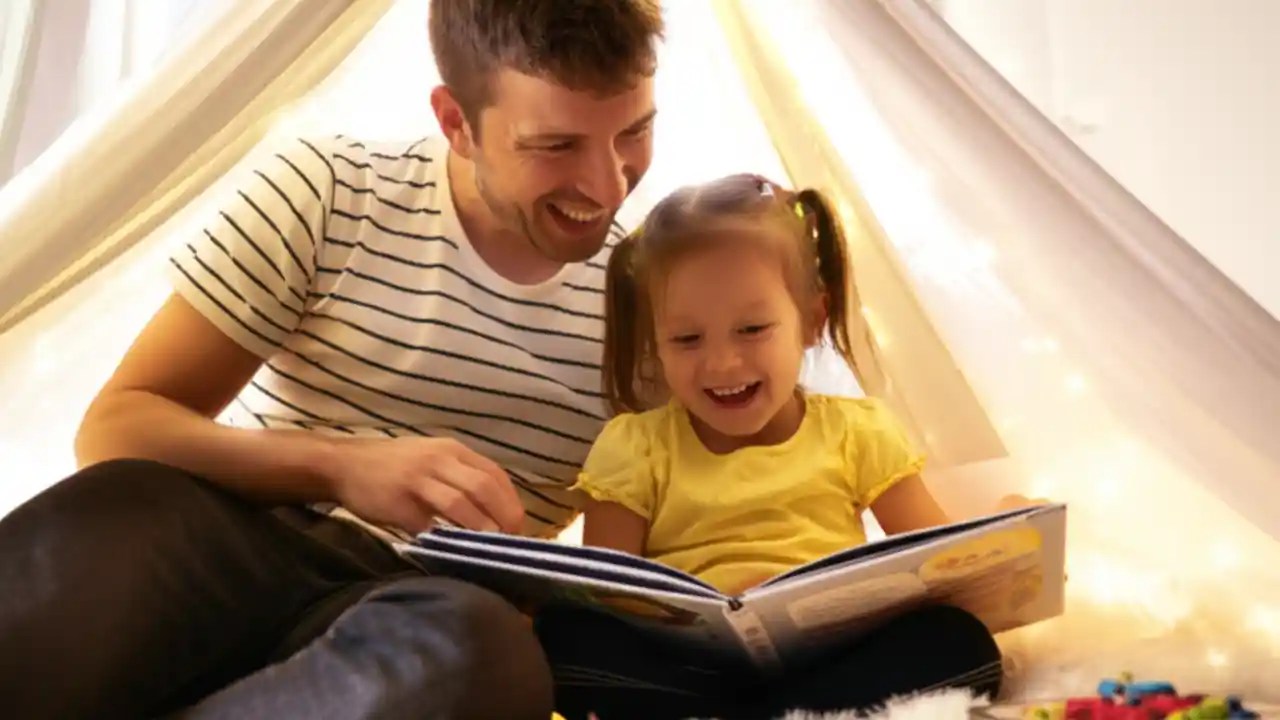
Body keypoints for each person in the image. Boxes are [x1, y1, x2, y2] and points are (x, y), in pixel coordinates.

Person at [0, 1, 664, 718]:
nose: (608, 184)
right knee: (104, 524)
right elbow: (117, 427)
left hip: (416, 610)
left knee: (483, 651)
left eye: (635, 130)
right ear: (456, 124)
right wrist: (345, 467)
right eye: (556, 146)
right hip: (236, 538)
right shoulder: (333, 189)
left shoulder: (654, 309)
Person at [535, 174, 1014, 720]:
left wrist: (1006, 539)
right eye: (687, 340)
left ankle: (760, 712)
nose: (722, 364)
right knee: (563, 638)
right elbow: (611, 592)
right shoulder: (634, 446)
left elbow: (935, 563)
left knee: (961, 644)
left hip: (832, 659)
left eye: (753, 329)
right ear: (655, 343)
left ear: (811, 321)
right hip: (689, 665)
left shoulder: (858, 430)